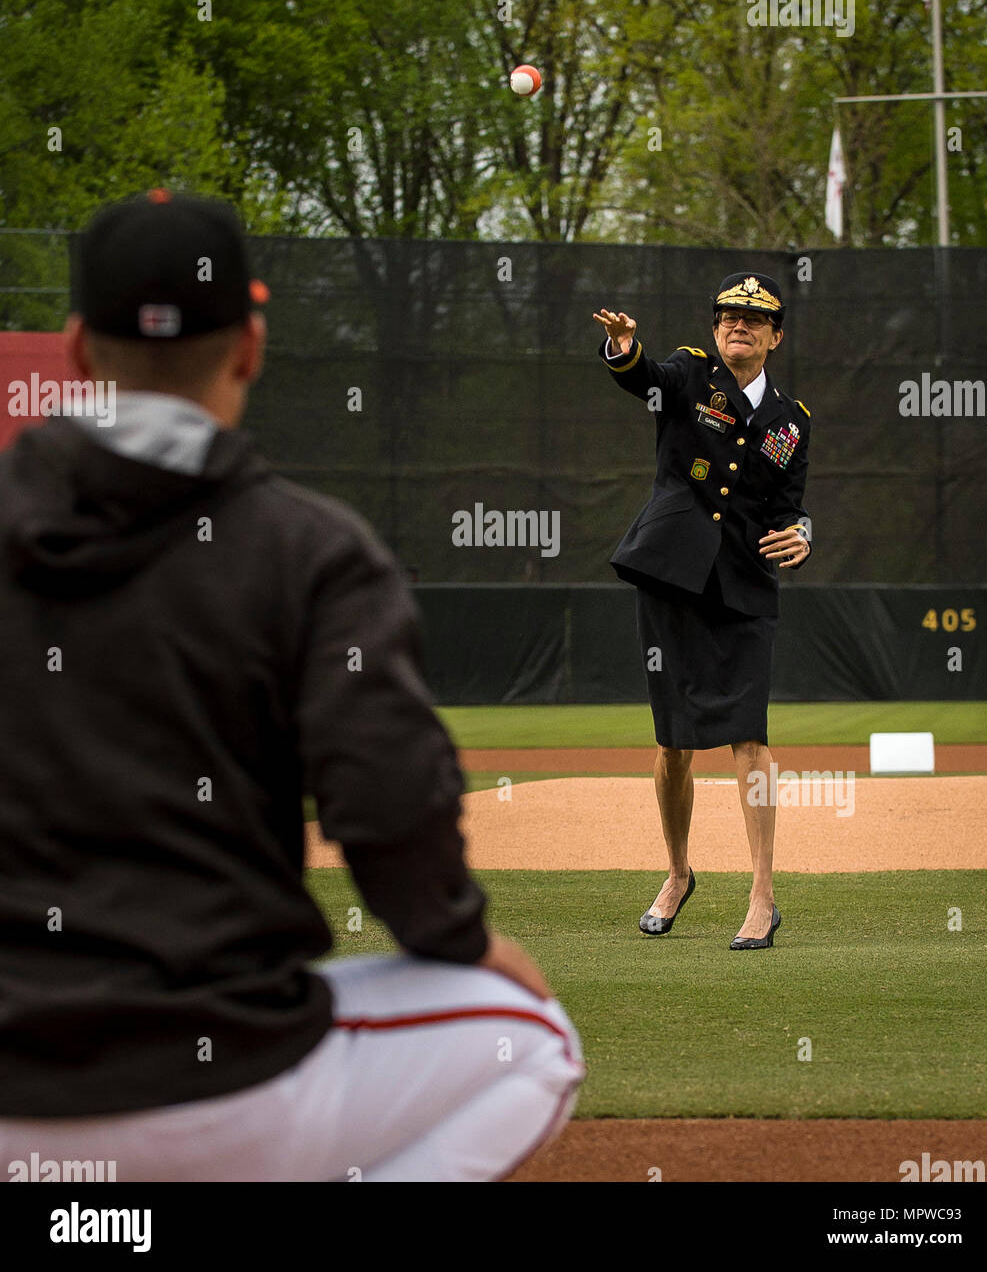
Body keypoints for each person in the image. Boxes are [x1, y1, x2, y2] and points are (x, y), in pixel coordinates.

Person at [0, 189, 583, 1182]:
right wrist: (459, 934)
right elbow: (387, 798)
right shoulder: (309, 550)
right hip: (235, 1087)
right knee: (532, 1037)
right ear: (250, 347)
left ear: (76, 348)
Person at [593, 273, 813, 950]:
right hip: (670, 573)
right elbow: (641, 377)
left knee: (751, 736)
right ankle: (678, 872)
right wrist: (625, 350)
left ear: (776, 335)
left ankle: (763, 894)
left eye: (753, 317)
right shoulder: (688, 375)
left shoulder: (792, 420)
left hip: (745, 586)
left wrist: (803, 533)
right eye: (727, 314)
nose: (736, 323)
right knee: (674, 743)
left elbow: (788, 505)